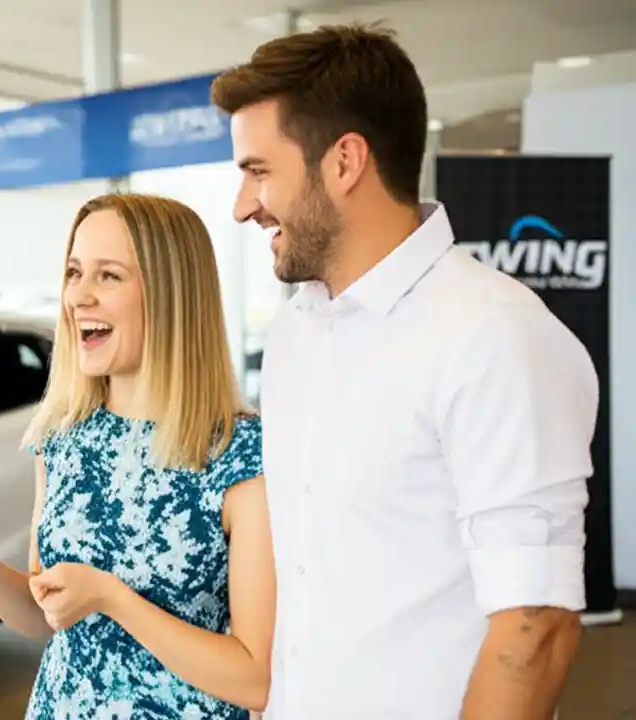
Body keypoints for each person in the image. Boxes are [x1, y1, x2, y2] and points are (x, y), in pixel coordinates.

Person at [211, 23, 597, 720]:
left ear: (345, 161)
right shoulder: (298, 329)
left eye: (258, 171)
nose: (242, 206)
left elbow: (535, 627)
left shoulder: (496, 335)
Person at [0, 193, 275, 719]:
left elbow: (253, 678)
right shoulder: (62, 438)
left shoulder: (240, 454)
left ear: (170, 294)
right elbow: (44, 615)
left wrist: (113, 598)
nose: (78, 296)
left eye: (108, 276)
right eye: (74, 272)